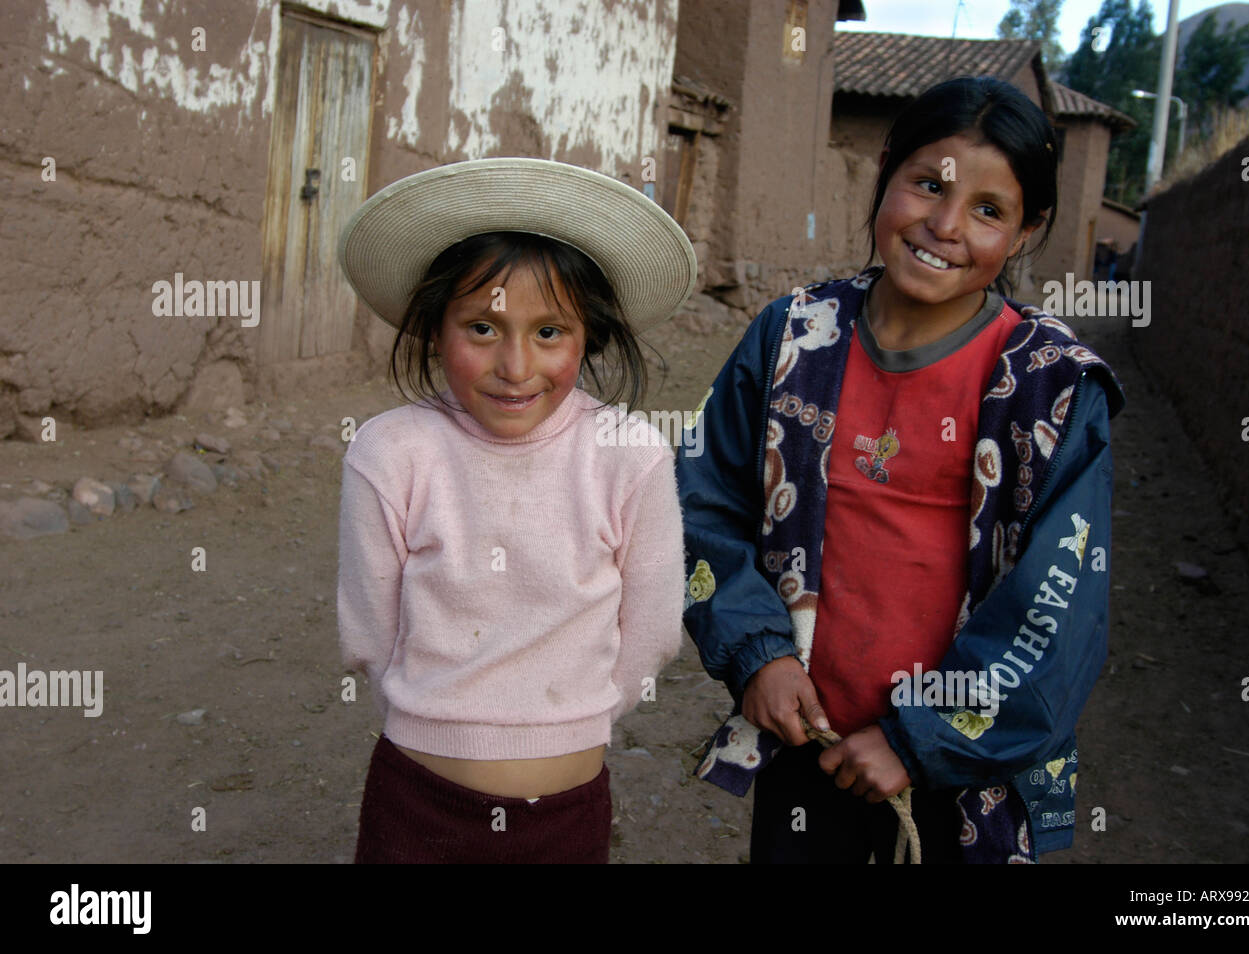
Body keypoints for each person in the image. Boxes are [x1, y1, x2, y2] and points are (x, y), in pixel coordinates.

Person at [677, 77, 1125, 863]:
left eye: (990, 210)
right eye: (929, 184)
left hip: (970, 778)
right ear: (886, 171)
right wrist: (759, 654)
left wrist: (919, 738)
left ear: (1027, 232)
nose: (946, 225)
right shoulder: (792, 339)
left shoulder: (1052, 388)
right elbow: (700, 504)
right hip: (807, 744)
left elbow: (1058, 609)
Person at [336, 157, 694, 863]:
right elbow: (370, 636)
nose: (516, 365)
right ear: (434, 329)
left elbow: (651, 635)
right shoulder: (390, 452)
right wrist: (445, 723)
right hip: (417, 801)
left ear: (589, 334)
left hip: (566, 811)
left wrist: (564, 722)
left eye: (549, 332)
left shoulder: (630, 454)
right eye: (482, 328)